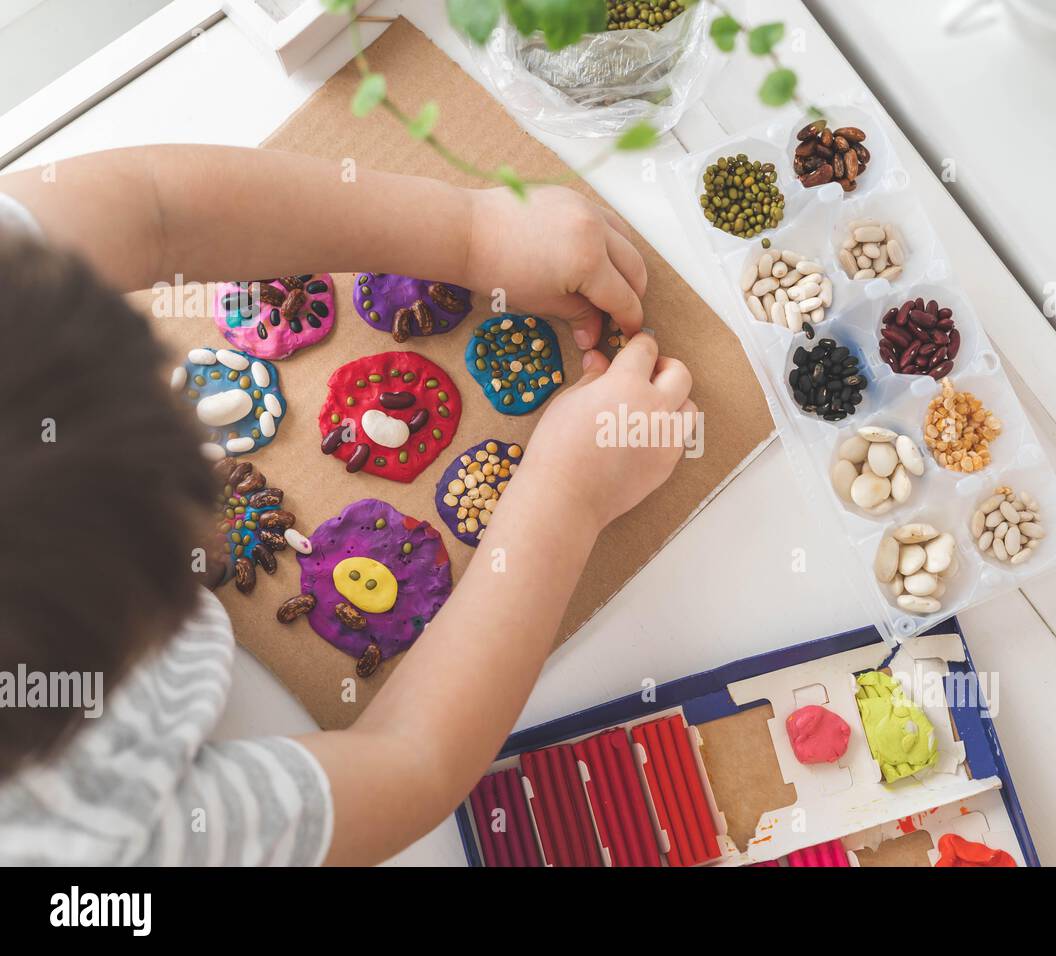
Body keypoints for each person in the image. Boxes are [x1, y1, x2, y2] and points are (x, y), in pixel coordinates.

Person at [0, 146, 694, 865]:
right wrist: (568, 496)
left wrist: (473, 233)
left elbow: (155, 210)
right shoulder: (88, 850)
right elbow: (411, 767)